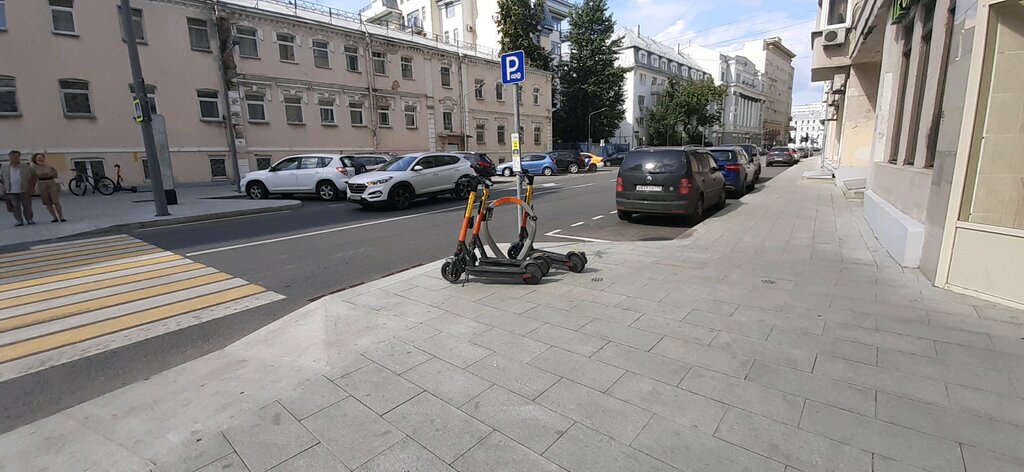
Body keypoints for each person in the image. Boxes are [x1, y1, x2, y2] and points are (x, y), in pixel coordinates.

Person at [1, 150, 38, 226]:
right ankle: (19, 220)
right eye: (13, 157)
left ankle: (29, 219)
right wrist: (4, 187)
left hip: (24, 189)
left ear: (19, 157)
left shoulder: (25, 165)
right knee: (15, 206)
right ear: (10, 157)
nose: (15, 158)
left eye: (16, 157)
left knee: (27, 205)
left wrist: (32, 185)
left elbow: (33, 175)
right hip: (11, 190)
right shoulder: (4, 166)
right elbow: (2, 177)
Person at [31, 153, 66, 222]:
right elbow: (32, 177)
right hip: (41, 183)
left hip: (52, 182)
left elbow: (55, 174)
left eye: (41, 157)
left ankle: (61, 216)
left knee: (56, 201)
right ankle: (54, 217)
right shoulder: (33, 168)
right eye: (38, 157)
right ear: (35, 159)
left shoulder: (49, 166)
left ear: (44, 158)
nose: (40, 159)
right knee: (47, 202)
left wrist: (51, 174)